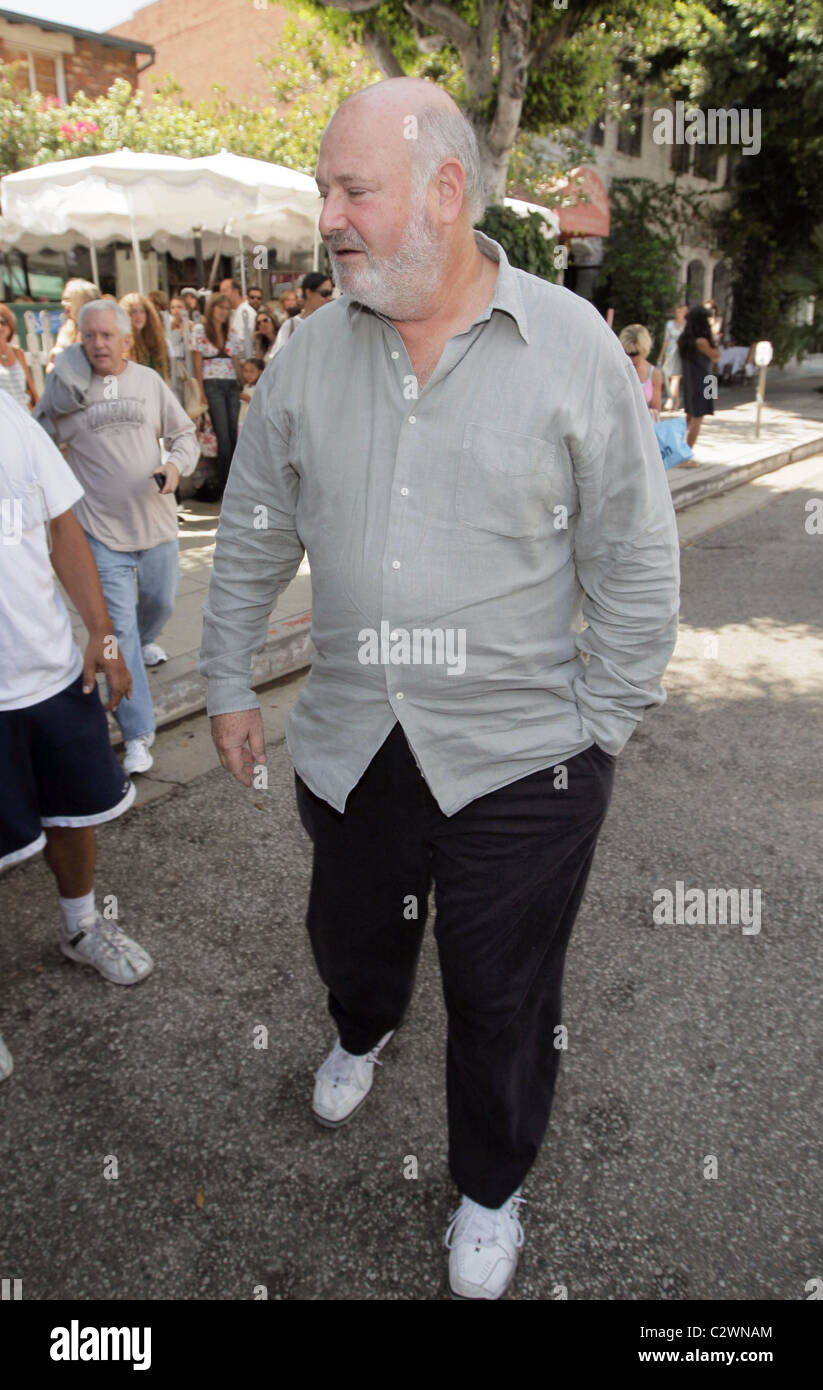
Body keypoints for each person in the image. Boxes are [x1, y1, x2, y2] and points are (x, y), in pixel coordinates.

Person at [200, 77, 680, 1302]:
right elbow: (252, 525)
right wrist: (227, 680)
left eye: (352, 189)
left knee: (502, 986)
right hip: (355, 738)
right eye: (324, 190)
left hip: (525, 753)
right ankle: (361, 1023)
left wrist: (604, 726)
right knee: (351, 938)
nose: (330, 217)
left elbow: (632, 554)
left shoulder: (569, 345)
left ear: (446, 192)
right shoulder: (309, 353)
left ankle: (489, 1184)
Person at [0, 390, 155, 1082]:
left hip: (51, 672)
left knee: (77, 812)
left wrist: (103, 633)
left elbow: (64, 529)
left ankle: (82, 926)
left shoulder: (8, 418)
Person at [34, 300, 199, 774]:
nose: (99, 344)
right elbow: (37, 444)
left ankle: (146, 640)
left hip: (156, 527)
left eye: (108, 335)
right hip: (99, 535)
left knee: (161, 603)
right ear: (80, 339)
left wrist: (174, 466)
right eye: (91, 336)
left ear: (126, 339)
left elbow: (184, 434)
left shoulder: (148, 381)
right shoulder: (66, 389)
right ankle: (137, 733)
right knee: (113, 636)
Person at [190, 292, 244, 500]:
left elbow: (236, 362)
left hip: (231, 384)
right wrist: (201, 392)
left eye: (226, 308)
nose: (223, 312)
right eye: (219, 307)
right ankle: (225, 485)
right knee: (223, 437)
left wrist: (243, 384)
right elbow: (196, 364)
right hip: (212, 384)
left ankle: (235, 482)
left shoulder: (231, 332)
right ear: (212, 308)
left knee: (233, 434)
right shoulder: (200, 331)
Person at [679, 304, 721, 454]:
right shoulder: (702, 341)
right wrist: (714, 337)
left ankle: (682, 448)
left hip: (691, 379)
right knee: (698, 418)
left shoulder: (685, 339)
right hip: (705, 380)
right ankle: (686, 453)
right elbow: (716, 356)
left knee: (690, 415)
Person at [46, 278, 99, 373]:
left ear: (82, 302)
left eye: (67, 300)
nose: (62, 303)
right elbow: (51, 368)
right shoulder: (67, 328)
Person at [272, 272, 333, 355]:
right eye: (324, 294)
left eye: (330, 294)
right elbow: (276, 357)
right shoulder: (291, 325)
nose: (329, 298)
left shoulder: (333, 324)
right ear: (309, 293)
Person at [120, 293, 170, 384]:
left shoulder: (155, 341)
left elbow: (164, 374)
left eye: (142, 311)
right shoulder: (123, 344)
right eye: (133, 312)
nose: (138, 316)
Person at [0, 303, 38, 410]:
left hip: (24, 415)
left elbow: (31, 388)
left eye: (3, 321)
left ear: (10, 325)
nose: (0, 326)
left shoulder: (17, 353)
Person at [620, 323, 662, 417]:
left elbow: (656, 412)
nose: (630, 358)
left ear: (644, 350)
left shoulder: (654, 374)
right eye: (626, 353)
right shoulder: (616, 370)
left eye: (634, 354)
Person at [658, 302, 687, 411]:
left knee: (676, 376)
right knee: (669, 376)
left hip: (680, 352)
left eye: (680, 311)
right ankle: (677, 400)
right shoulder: (669, 324)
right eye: (677, 311)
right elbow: (666, 340)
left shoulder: (686, 324)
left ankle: (670, 400)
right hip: (670, 352)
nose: (678, 313)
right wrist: (661, 355)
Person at [218, 278, 256, 359]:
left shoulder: (247, 312)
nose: (221, 295)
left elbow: (242, 341)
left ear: (235, 292)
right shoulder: (230, 313)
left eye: (224, 291)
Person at [238, 357, 264, 429]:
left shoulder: (260, 388)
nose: (248, 375)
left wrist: (249, 399)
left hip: (253, 424)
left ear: (260, 372)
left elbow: (262, 407)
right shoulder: (245, 387)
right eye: (245, 371)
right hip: (241, 421)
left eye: (252, 371)